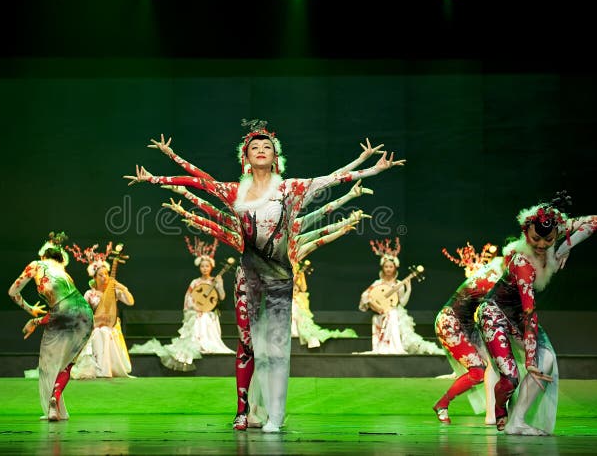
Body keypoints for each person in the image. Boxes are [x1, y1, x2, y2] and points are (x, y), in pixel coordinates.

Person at [125, 121, 404, 432]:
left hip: (280, 279)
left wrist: (370, 169)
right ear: (246, 156)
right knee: (247, 344)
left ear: (276, 157)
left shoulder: (288, 188)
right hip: (248, 279)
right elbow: (201, 181)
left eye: (267, 147)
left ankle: (274, 414)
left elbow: (333, 179)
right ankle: (243, 410)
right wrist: (159, 173)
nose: (260, 150)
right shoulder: (235, 192)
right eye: (254, 147)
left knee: (276, 346)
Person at [477, 192, 597, 435]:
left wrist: (566, 245)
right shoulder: (523, 262)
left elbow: (595, 220)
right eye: (535, 239)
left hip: (517, 315)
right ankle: (500, 406)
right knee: (511, 377)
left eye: (549, 239)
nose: (542, 245)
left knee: (547, 361)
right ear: (526, 233)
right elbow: (529, 313)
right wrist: (530, 360)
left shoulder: (557, 236)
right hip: (495, 313)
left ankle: (517, 421)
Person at [8, 232, 93, 421]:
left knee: (49, 364)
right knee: (67, 363)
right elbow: (69, 306)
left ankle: (51, 408)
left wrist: (31, 312)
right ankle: (55, 399)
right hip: (85, 314)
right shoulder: (65, 275)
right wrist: (37, 321)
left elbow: (13, 292)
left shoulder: (36, 265)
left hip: (63, 313)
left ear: (43, 255)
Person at [130, 237, 236, 371]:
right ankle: (196, 345)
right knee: (198, 318)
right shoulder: (195, 282)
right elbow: (189, 297)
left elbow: (221, 297)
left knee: (205, 318)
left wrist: (220, 285)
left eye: (207, 266)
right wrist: (196, 307)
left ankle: (207, 344)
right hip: (196, 311)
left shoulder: (215, 280)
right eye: (202, 266)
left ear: (211, 267)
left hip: (209, 312)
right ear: (199, 267)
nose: (204, 268)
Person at [433, 242, 503, 425]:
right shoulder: (494, 278)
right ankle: (442, 403)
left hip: (467, 324)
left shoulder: (495, 271)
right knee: (479, 372)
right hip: (451, 323)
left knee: (495, 365)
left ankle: (498, 412)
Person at [358, 238, 442, 355]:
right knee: (388, 314)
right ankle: (384, 346)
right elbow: (366, 296)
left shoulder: (398, 284)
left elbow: (402, 303)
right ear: (383, 267)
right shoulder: (378, 284)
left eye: (391, 267)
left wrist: (409, 289)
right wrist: (377, 307)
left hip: (394, 312)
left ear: (395, 268)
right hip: (380, 314)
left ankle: (394, 346)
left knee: (392, 314)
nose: (388, 269)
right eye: (386, 266)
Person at [67, 242, 135, 379]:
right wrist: (97, 320)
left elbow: (130, 301)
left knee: (104, 331)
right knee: (99, 332)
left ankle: (107, 370)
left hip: (112, 327)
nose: (105, 277)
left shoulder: (114, 291)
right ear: (94, 277)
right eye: (101, 275)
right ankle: (101, 369)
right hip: (94, 327)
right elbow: (82, 317)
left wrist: (122, 288)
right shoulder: (89, 294)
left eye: (106, 274)